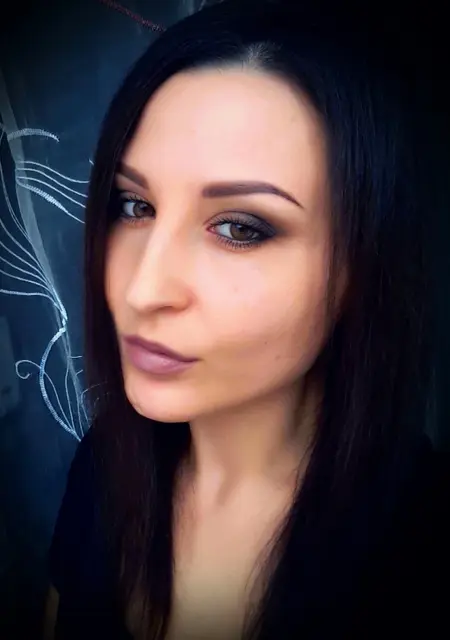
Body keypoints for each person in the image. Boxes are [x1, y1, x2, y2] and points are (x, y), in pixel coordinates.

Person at [44, 1, 449, 639]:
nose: (142, 289)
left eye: (239, 228)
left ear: (364, 267)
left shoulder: (424, 546)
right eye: (134, 205)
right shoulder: (105, 467)